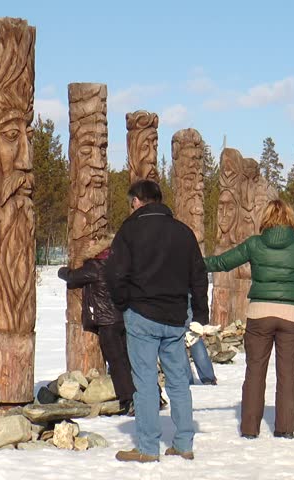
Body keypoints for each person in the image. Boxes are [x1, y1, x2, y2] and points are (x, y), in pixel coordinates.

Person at [106, 180, 209, 462]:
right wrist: (199, 315)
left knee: (146, 381)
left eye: (131, 202)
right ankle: (184, 443)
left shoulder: (129, 230)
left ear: (138, 200)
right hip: (176, 317)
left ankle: (148, 448)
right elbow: (199, 278)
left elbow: (114, 274)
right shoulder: (183, 233)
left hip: (141, 316)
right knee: (178, 381)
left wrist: (123, 304)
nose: (131, 207)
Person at [204, 199, 294, 440]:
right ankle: (285, 429)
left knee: (255, 371)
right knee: (287, 373)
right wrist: (293, 282)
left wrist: (189, 263)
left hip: (259, 313)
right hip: (291, 316)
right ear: (290, 219)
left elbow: (221, 263)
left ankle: (249, 429)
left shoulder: (255, 244)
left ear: (265, 219)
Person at [57, 235, 135, 415]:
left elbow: (72, 276)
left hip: (107, 321)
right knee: (130, 359)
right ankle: (152, 394)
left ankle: (128, 399)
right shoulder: (122, 264)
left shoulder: (95, 266)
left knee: (116, 362)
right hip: (124, 317)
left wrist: (61, 270)